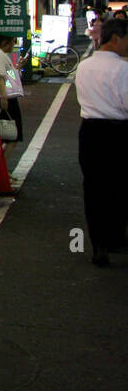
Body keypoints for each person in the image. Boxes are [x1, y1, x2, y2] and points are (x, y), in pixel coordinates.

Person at [73, 17, 128, 266]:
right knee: (118, 187)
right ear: (115, 39)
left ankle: (99, 245)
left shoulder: (84, 66)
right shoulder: (123, 69)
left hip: (90, 131)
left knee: (94, 189)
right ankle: (115, 237)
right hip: (118, 132)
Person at [0, 34, 24, 158]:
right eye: (12, 42)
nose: (13, 45)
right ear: (4, 42)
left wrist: (19, 67)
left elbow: (6, 76)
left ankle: (1, 170)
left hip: (6, 98)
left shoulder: (0, 55)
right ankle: (1, 171)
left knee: (9, 137)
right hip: (4, 99)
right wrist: (3, 98)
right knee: (12, 137)